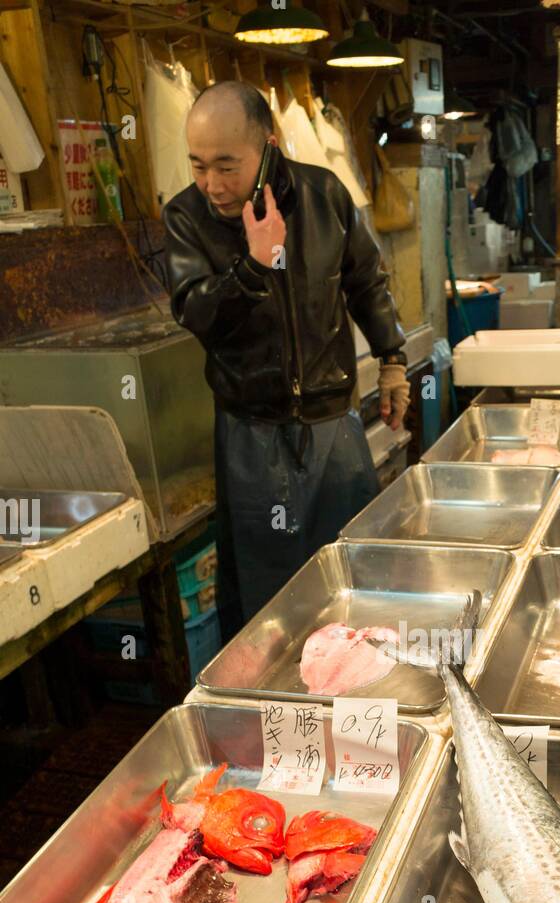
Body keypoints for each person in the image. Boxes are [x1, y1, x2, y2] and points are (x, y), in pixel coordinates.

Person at [162, 81, 409, 637]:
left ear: (269, 144)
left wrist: (393, 358)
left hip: (333, 424)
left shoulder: (325, 195)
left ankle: (362, 702)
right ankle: (277, 715)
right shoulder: (185, 218)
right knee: (269, 601)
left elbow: (366, 281)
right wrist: (253, 265)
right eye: (198, 166)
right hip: (252, 432)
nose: (212, 185)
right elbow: (196, 313)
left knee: (355, 576)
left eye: (227, 166)